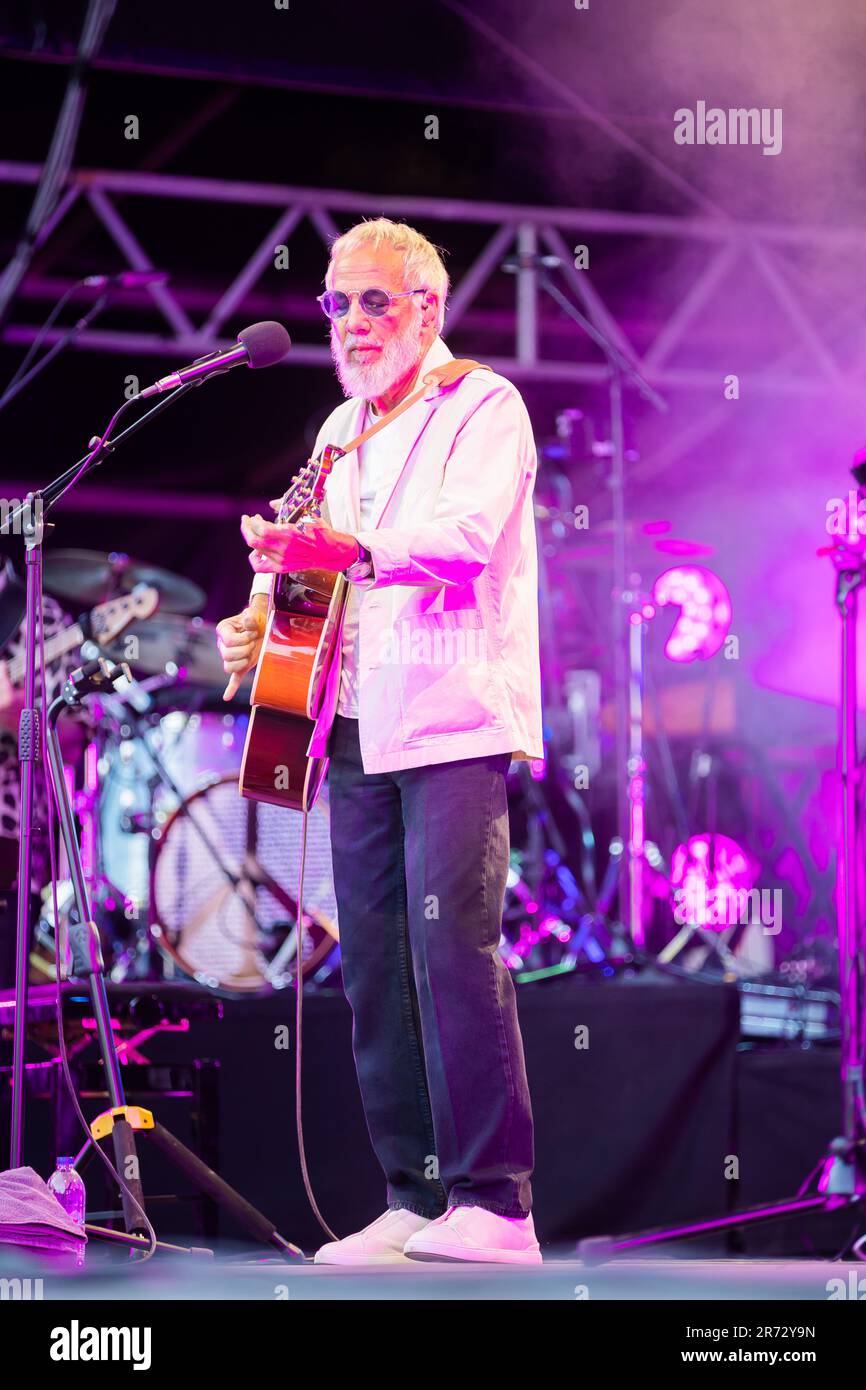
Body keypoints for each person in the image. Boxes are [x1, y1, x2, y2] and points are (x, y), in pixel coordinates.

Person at [217, 218, 543, 1265]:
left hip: (447, 718)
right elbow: (304, 573)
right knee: (372, 967)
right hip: (351, 722)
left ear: (426, 310)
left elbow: (456, 543)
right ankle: (413, 1196)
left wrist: (341, 546)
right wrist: (261, 612)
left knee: (452, 951)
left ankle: (496, 1203)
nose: (350, 322)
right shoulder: (335, 431)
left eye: (373, 301)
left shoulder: (482, 405)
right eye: (334, 303)